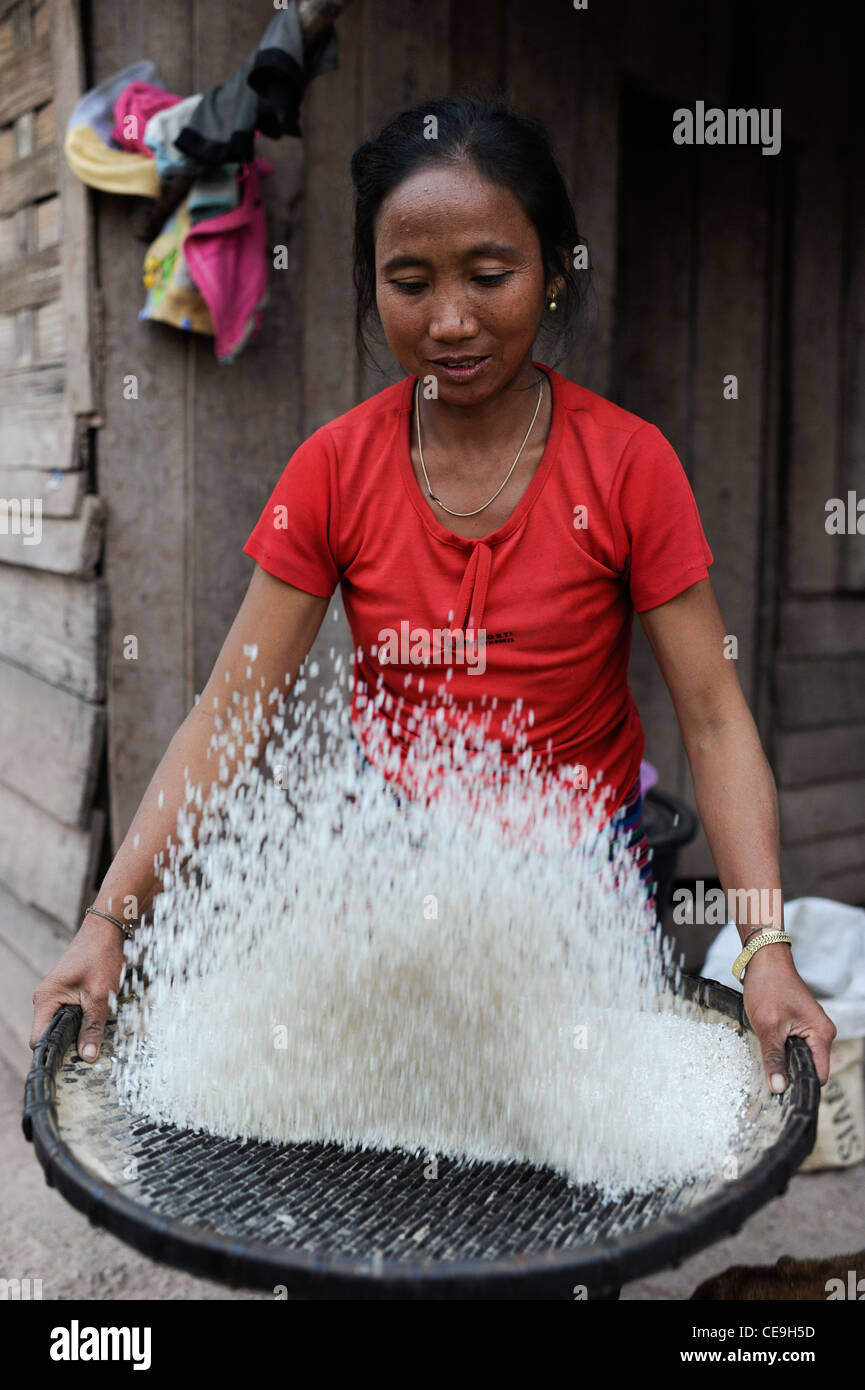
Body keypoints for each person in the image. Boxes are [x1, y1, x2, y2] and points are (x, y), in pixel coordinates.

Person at [31, 93, 835, 1099]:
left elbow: (714, 721)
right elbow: (231, 712)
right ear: (372, 290)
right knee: (396, 1111)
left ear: (550, 272)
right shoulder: (333, 468)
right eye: (409, 282)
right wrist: (110, 919)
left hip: (582, 864)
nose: (450, 320)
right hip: (391, 858)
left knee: (562, 1131)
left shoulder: (631, 467)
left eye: (489, 275)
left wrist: (763, 941)